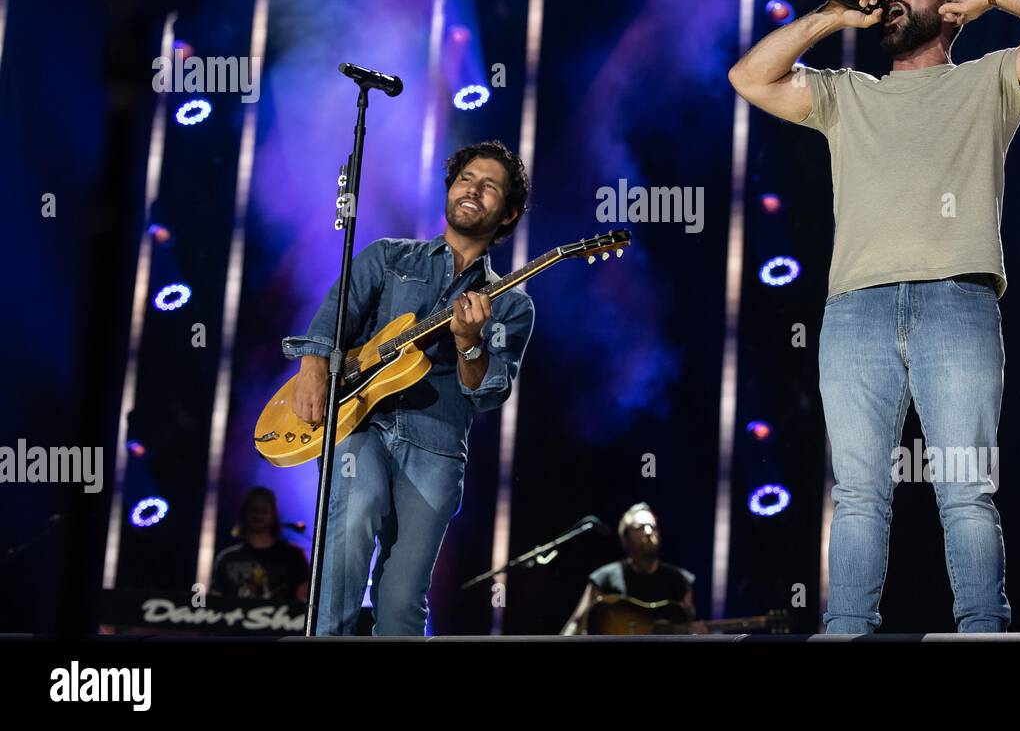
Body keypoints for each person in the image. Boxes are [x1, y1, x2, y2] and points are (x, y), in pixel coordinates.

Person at [728, 0, 1020, 634]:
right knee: (859, 493)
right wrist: (832, 16)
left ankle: (983, 628)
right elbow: (749, 77)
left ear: (946, 5)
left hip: (956, 303)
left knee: (966, 490)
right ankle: (846, 626)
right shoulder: (848, 94)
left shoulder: (989, 80)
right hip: (854, 311)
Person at [282, 140, 536, 635]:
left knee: (401, 601)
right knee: (356, 511)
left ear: (507, 215)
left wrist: (468, 345)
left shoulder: (511, 306)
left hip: (437, 446)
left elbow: (489, 392)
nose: (474, 190)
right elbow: (332, 322)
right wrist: (312, 367)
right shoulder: (388, 257)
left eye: (490, 187)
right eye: (466, 179)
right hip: (362, 424)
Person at [561, 503, 700, 635]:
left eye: (653, 526)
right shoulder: (604, 578)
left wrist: (697, 633)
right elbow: (576, 622)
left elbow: (690, 625)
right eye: (640, 527)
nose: (648, 532)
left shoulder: (679, 579)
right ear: (625, 537)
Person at [211, 486, 309, 601]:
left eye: (264, 510)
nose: (258, 515)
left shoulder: (293, 555)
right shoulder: (227, 558)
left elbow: (304, 600)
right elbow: (215, 602)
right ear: (244, 514)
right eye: (254, 510)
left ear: (273, 515)